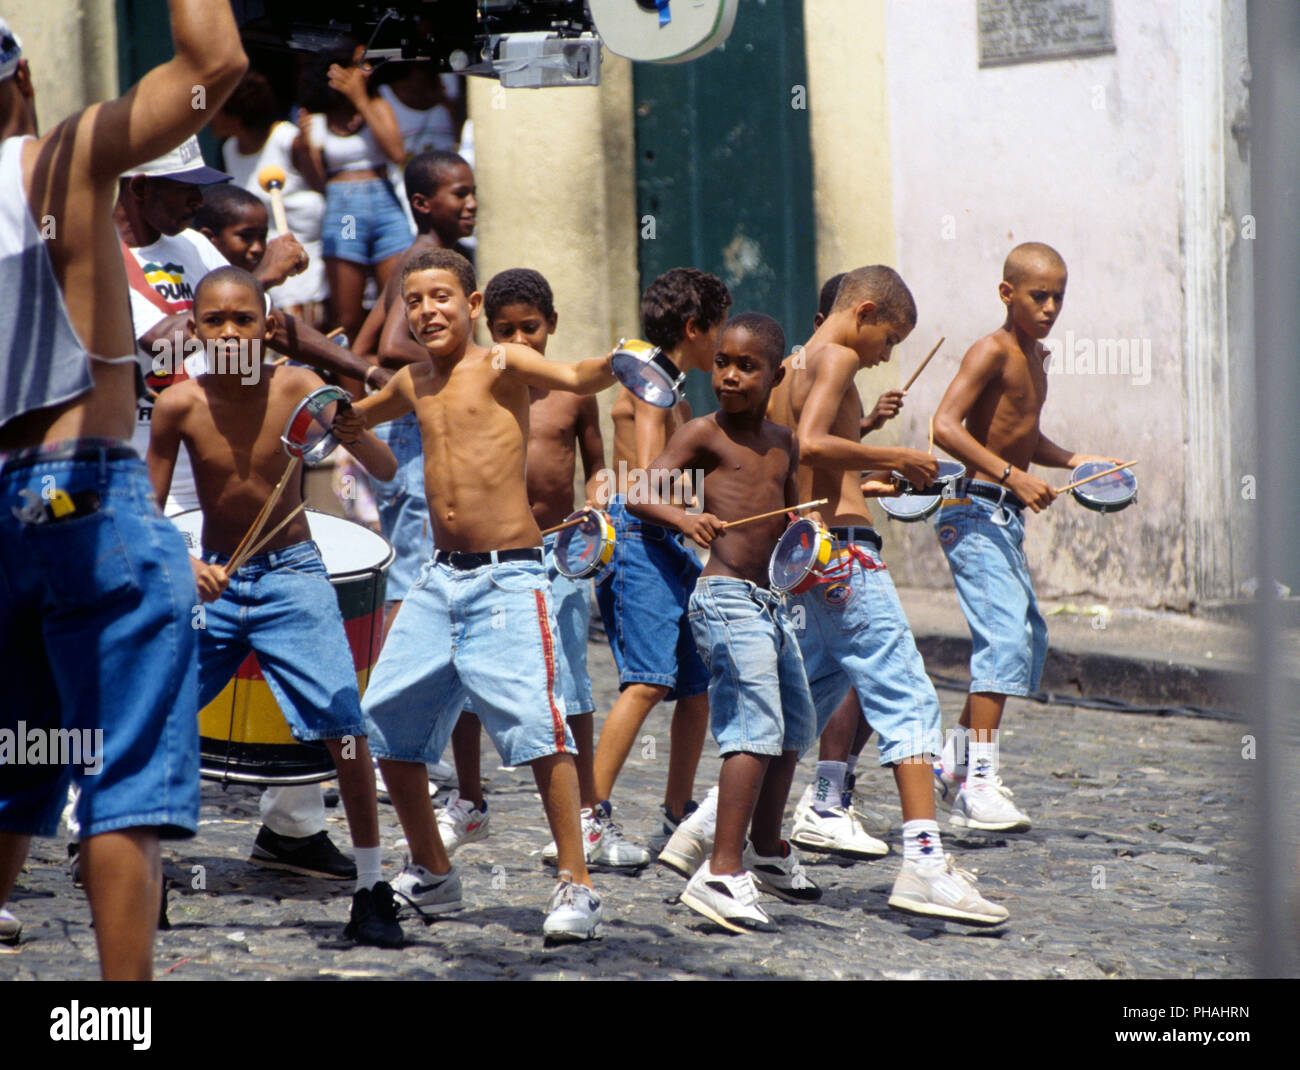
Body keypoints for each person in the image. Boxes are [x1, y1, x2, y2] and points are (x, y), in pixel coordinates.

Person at [0, 2, 248, 980]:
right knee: (123, 780)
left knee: (17, 762)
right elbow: (214, 61)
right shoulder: (55, 161)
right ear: (21, 82)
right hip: (81, 491)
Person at [352, 247, 617, 942]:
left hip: (511, 575)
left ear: (471, 307)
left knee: (538, 728)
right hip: (437, 578)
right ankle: (436, 875)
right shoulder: (413, 381)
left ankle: (577, 885)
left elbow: (576, 374)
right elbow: (359, 415)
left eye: (441, 296)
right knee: (383, 721)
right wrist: (320, 414)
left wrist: (625, 361)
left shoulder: (504, 362)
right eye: (414, 301)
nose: (426, 310)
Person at [147, 266, 402, 945]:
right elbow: (146, 510)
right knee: (153, 714)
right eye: (215, 320)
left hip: (292, 576)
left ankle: (372, 887)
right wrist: (186, 563)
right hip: (217, 579)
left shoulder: (296, 387)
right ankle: (141, 878)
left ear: (268, 326)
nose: (230, 332)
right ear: (193, 329)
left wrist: (345, 416)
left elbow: (384, 469)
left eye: (244, 319)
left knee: (345, 726)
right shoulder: (179, 403)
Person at [774, 264, 1008, 925]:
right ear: (865, 312)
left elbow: (798, 458)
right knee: (908, 699)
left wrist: (869, 472)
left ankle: (716, 839)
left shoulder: (794, 364)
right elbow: (815, 443)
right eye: (890, 337)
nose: (886, 355)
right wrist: (903, 460)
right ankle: (926, 865)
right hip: (844, 557)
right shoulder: (840, 354)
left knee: (794, 711)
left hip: (803, 553)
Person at [632, 313, 821, 932]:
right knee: (755, 727)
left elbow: (792, 519)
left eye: (747, 366)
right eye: (722, 364)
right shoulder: (703, 435)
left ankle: (765, 848)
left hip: (769, 601)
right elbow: (641, 492)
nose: (731, 377)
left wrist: (816, 545)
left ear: (777, 372)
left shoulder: (784, 441)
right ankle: (721, 870)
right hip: (724, 596)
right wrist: (685, 520)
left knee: (796, 723)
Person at [931, 242, 1117, 831]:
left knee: (1025, 639)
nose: (1051, 306)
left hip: (1005, 517)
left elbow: (1020, 434)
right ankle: (977, 783)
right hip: (972, 509)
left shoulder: (1037, 357)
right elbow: (943, 426)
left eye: (1060, 296)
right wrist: (1010, 476)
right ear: (1007, 293)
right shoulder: (991, 349)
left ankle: (954, 763)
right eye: (1040, 295)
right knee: (1004, 641)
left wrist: (1075, 461)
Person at [441, 268, 608, 859]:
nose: (518, 342)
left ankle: (587, 811)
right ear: (488, 329)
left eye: (530, 329)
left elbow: (597, 465)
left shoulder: (572, 395)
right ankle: (468, 799)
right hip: (489, 559)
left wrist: (599, 500)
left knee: (569, 683)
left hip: (557, 557)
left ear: (552, 325)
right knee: (464, 679)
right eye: (505, 330)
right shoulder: (477, 386)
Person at [590, 268, 732, 860]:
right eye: (718, 329)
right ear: (695, 328)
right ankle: (585, 819)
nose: (723, 344)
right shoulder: (652, 388)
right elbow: (647, 490)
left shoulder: (673, 389)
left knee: (696, 684)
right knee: (647, 682)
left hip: (665, 543)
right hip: (641, 538)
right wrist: (687, 521)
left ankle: (678, 812)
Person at [352, 151, 478, 636]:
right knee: (413, 581)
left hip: (403, 431)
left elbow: (363, 349)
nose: (471, 204)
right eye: (459, 194)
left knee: (420, 571)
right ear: (423, 203)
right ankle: (387, 702)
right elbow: (391, 345)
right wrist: (467, 365)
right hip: (411, 433)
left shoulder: (422, 261)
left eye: (473, 193)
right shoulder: (422, 263)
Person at [294, 46, 411, 345]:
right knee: (347, 318)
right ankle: (354, 389)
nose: (367, 70)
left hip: (385, 205)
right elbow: (319, 182)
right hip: (344, 209)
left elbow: (397, 153)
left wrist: (360, 98)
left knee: (398, 309)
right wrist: (303, 148)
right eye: (359, 64)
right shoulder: (319, 117)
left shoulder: (377, 105)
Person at [210, 69, 328, 321]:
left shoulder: (288, 140)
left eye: (215, 109)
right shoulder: (230, 149)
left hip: (305, 273)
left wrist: (310, 154)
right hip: (260, 271)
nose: (208, 117)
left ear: (237, 115)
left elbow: (323, 192)